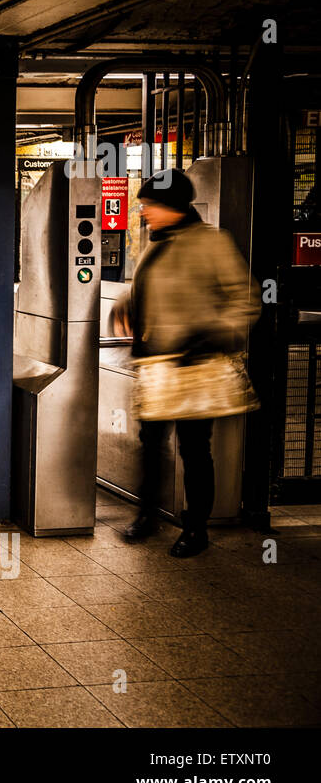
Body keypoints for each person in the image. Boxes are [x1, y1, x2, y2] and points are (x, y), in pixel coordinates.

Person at [110, 168, 261, 558]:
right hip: (156, 367)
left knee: (195, 450)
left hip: (195, 369)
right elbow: (152, 288)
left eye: (149, 205)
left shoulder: (211, 244)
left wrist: (209, 335)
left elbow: (245, 301)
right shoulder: (156, 243)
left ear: (174, 206)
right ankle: (147, 516)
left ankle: (196, 529)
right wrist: (127, 304)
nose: (143, 212)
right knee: (150, 444)